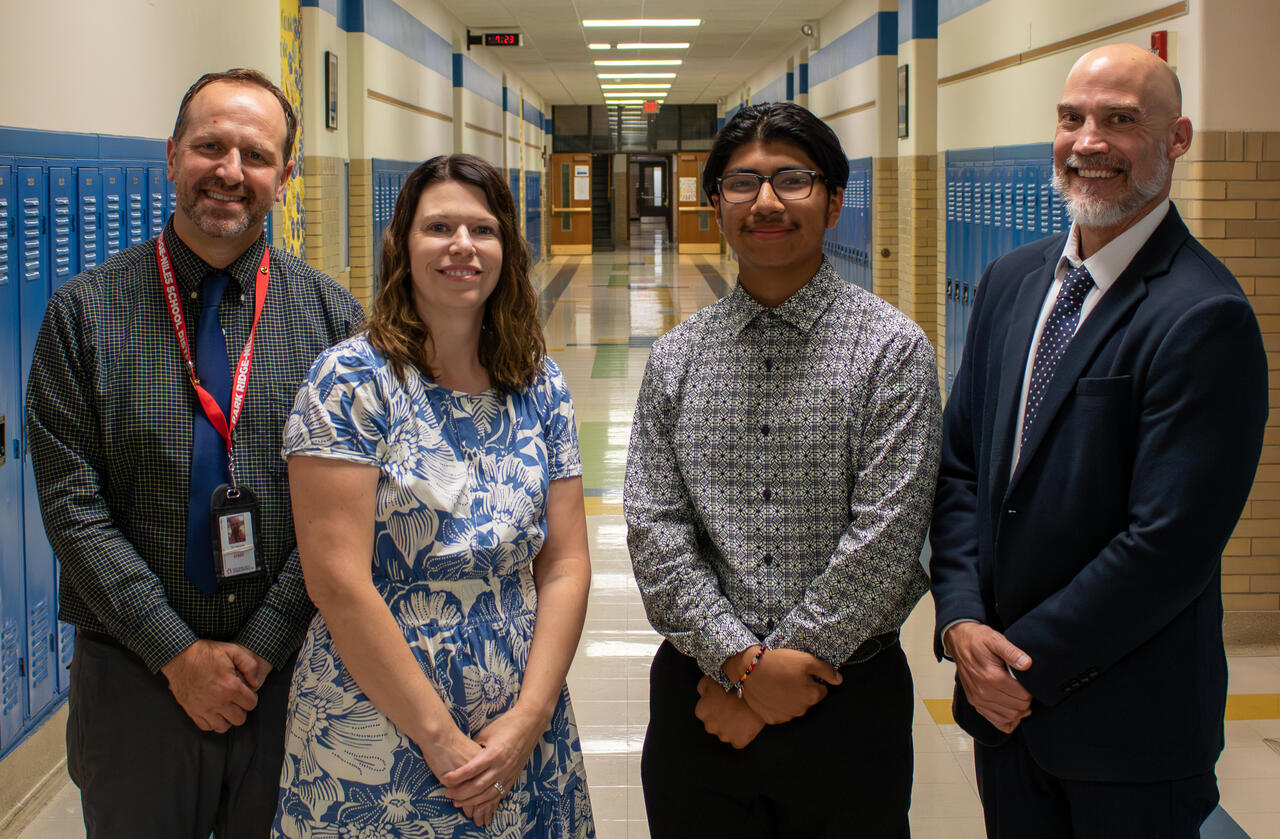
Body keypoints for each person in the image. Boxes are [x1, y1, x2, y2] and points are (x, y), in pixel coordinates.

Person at [929, 44, 1269, 838]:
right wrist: (960, 621)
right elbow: (962, 470)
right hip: (1004, 719)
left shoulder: (1200, 314)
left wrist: (1019, 665)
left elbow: (1167, 545)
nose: (1089, 142)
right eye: (1072, 118)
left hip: (1130, 729)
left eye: (1121, 120)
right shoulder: (1011, 281)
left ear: (1177, 138)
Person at [25, 68, 363, 837]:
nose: (230, 172)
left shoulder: (332, 322)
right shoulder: (86, 314)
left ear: (285, 176)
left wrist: (262, 646)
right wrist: (177, 654)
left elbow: (349, 510)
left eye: (255, 154)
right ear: (171, 154)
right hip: (133, 679)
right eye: (210, 146)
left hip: (289, 679)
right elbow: (73, 507)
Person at [624, 102, 941, 838]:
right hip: (698, 695)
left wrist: (776, 678)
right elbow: (653, 526)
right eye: (743, 183)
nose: (766, 202)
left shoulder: (891, 351)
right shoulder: (677, 358)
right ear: (715, 207)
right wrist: (737, 662)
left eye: (792, 180)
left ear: (833, 201)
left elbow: (889, 535)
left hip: (847, 702)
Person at [273, 154, 595, 838]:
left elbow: (565, 564)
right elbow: (337, 583)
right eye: (438, 226)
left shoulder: (538, 384)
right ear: (402, 245)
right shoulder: (350, 382)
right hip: (378, 726)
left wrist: (529, 718)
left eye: (482, 229)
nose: (462, 246)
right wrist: (443, 741)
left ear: (506, 246)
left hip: (518, 728)